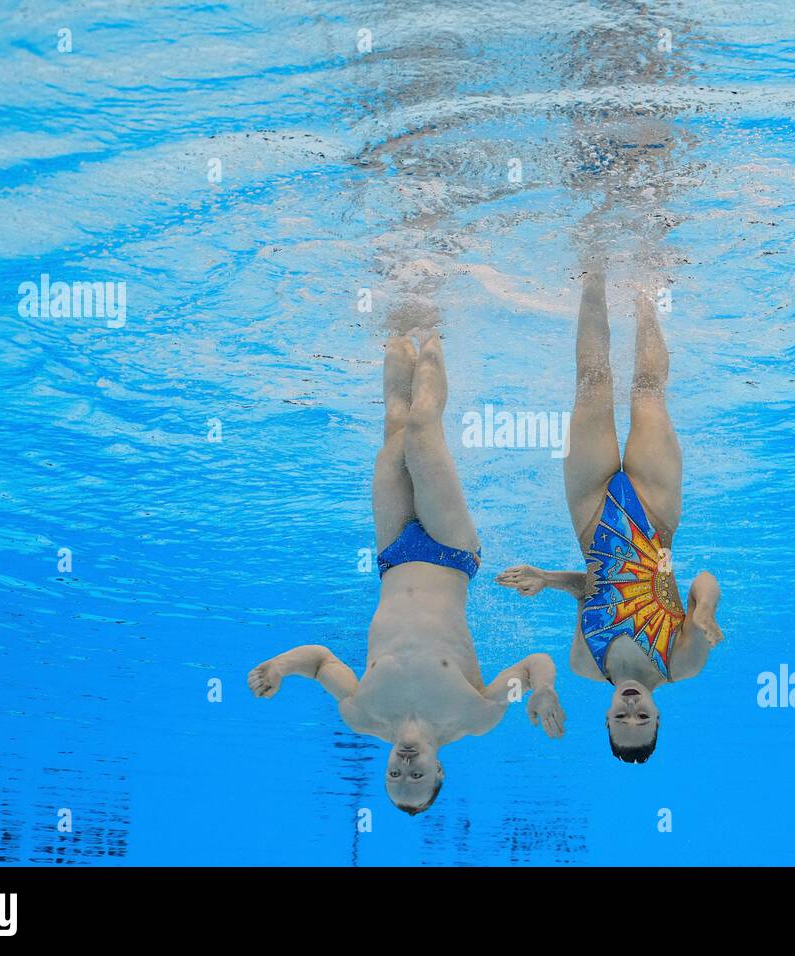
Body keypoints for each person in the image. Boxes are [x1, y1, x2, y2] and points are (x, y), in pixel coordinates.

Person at [250, 330, 565, 814]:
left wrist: (280, 667)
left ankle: (399, 325)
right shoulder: (476, 716)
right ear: (439, 772)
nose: (406, 766)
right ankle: (436, 325)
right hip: (450, 552)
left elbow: (317, 662)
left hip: (393, 555)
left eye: (395, 775)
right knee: (421, 432)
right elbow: (533, 663)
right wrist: (543, 690)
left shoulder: (361, 713)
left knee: (395, 427)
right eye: (417, 775)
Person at [498, 268, 722, 764]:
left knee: (591, 385)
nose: (632, 712)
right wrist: (703, 610)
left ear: (605, 719)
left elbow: (592, 589)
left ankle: (592, 270)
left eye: (622, 721)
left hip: (590, 517)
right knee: (647, 391)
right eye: (643, 720)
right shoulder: (682, 663)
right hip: (656, 513)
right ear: (658, 717)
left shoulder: (583, 662)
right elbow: (704, 579)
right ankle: (644, 288)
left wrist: (548, 579)